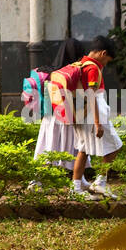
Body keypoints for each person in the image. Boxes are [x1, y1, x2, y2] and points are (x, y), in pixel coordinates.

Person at [69, 35, 123, 199]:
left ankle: (76, 188)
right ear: (103, 53)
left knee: (83, 150)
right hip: (93, 113)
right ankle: (100, 181)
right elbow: (91, 94)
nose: (106, 63)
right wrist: (98, 123)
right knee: (116, 145)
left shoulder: (80, 63)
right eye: (107, 59)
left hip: (80, 112)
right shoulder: (92, 68)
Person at [33, 38, 89, 179]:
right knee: (77, 149)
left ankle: (37, 180)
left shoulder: (48, 71)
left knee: (48, 147)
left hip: (50, 117)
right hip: (69, 117)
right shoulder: (75, 72)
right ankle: (78, 181)